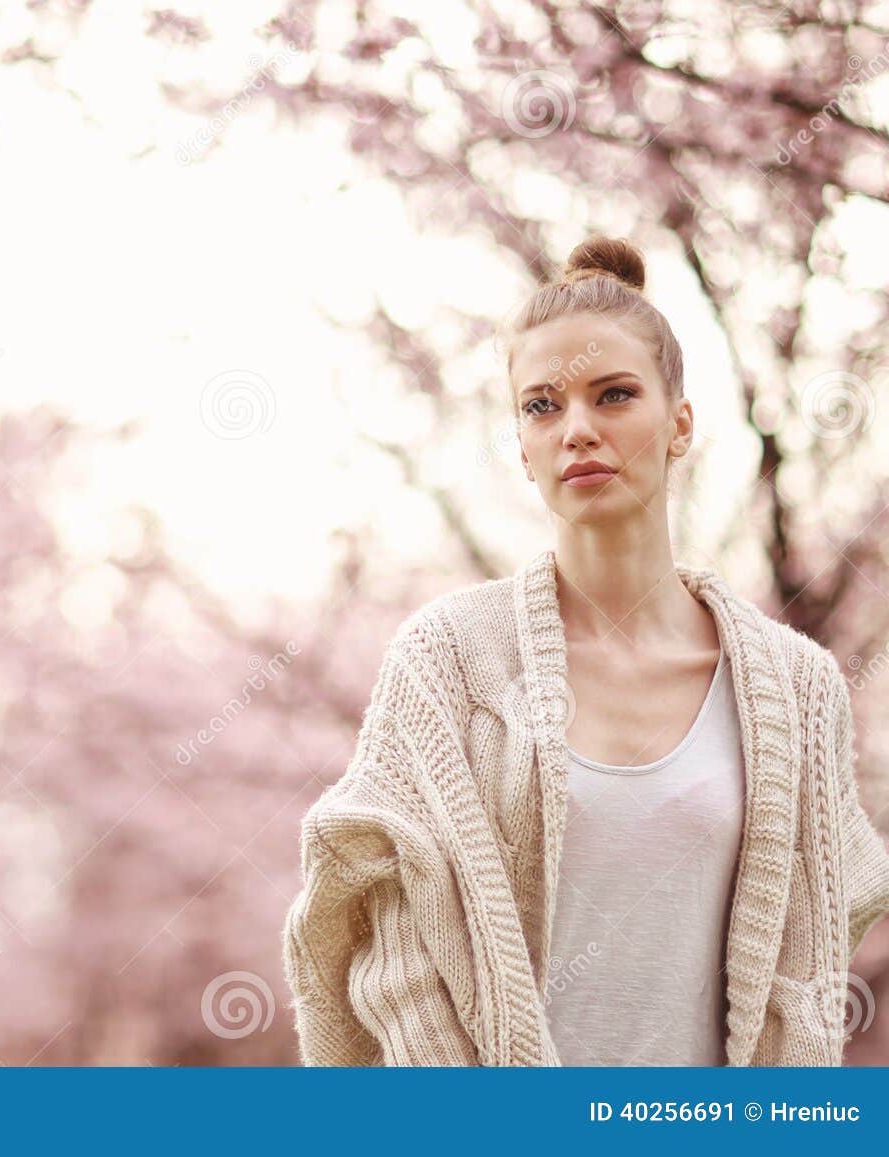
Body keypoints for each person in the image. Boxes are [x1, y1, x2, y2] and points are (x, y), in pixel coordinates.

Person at [281, 236, 889, 1066]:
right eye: (542, 405)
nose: (578, 430)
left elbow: (810, 970)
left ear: (678, 424)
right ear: (522, 446)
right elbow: (389, 935)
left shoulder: (801, 688)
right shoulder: (447, 660)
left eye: (613, 395)